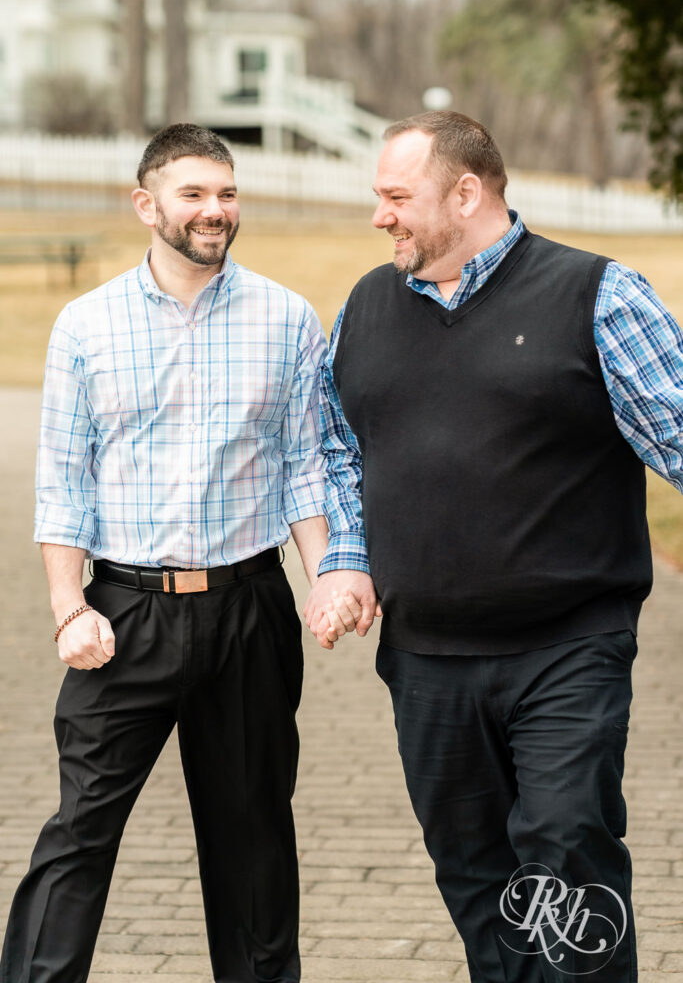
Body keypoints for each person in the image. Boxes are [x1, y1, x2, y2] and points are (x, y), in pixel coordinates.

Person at [304, 111, 683, 982]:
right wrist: (347, 560)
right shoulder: (364, 305)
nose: (379, 217)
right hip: (424, 658)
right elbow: (338, 451)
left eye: (397, 197)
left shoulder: (597, 294)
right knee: (477, 880)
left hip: (566, 648)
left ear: (466, 192)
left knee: (563, 856)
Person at [0, 123, 352, 983]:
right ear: (145, 204)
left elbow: (306, 466)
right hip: (123, 614)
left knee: (254, 840)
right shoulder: (87, 324)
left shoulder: (286, 318)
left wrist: (332, 575)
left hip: (248, 612)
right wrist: (67, 608)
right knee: (79, 830)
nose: (214, 210)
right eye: (193, 193)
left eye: (226, 193)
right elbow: (63, 483)